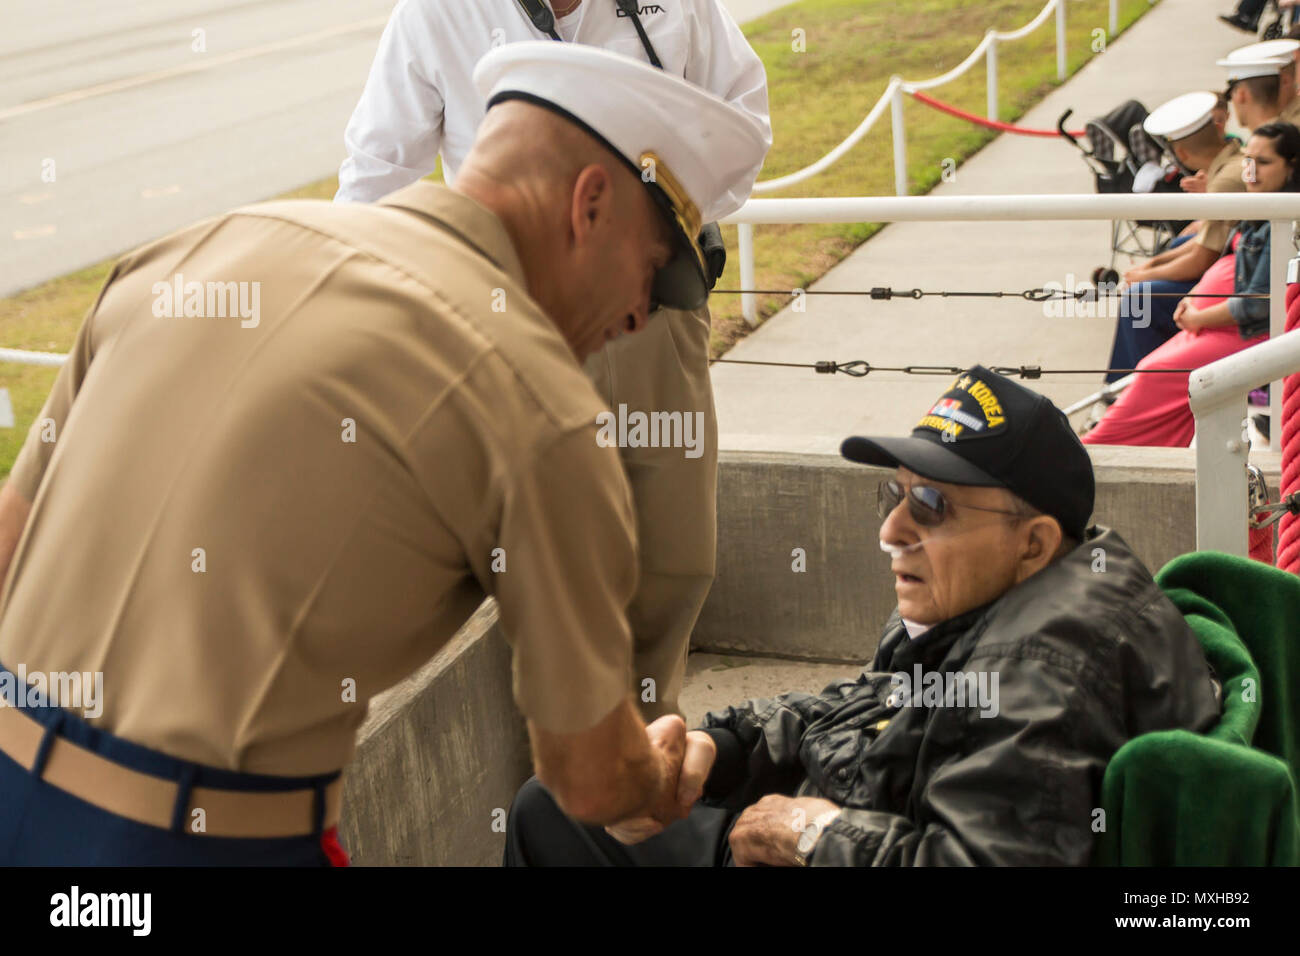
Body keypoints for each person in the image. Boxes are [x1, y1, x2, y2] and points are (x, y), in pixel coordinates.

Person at [0, 42, 770, 865]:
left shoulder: (196, 249)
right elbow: (585, 781)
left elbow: (12, 545)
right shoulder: (540, 405)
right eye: (652, 269)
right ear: (588, 204)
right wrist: (659, 779)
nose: (639, 316)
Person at [504, 367, 1221, 866]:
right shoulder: (996, 601)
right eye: (895, 494)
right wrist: (716, 749)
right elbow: (867, 707)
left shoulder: (1040, 667)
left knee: (554, 811)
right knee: (570, 802)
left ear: (1032, 542)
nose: (893, 529)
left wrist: (814, 837)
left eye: (934, 506)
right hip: (865, 825)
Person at [335, 0, 773, 721]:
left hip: (651, 306)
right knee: (545, 566)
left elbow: (744, 122)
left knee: (675, 553)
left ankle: (648, 747)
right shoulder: (434, 13)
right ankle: (567, 782)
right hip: (515, 321)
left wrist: (657, 217)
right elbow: (377, 170)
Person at [1083, 121, 1300, 447]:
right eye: (1248, 161)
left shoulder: (1282, 219)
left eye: (1264, 163)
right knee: (1150, 367)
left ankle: (1106, 445)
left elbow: (1259, 302)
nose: (1251, 172)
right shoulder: (1256, 203)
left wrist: (1198, 316)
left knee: (1157, 369)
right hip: (1229, 325)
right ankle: (1120, 438)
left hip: (1255, 333)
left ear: (1292, 167)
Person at [1104, 92, 1246, 382]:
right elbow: (1200, 243)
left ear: (1180, 153)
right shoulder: (1230, 165)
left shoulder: (1224, 181)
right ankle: (1124, 388)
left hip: (1236, 283)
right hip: (1236, 271)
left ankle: (1134, 389)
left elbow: (1201, 259)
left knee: (1139, 299)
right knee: (1174, 250)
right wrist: (1149, 268)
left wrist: (1143, 275)